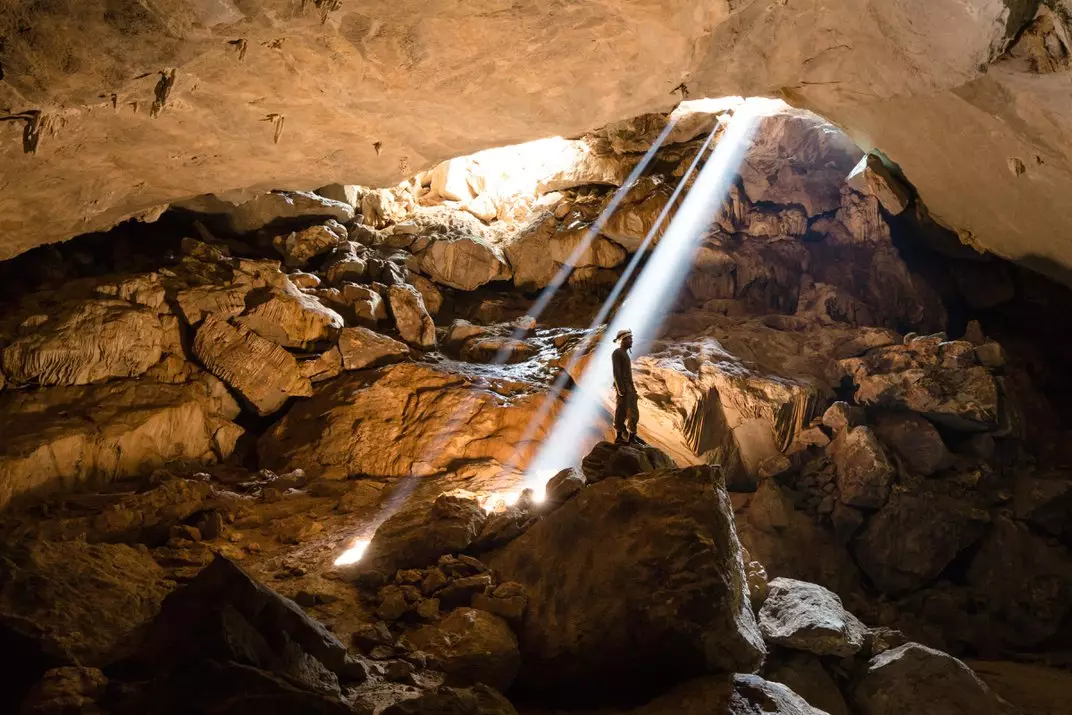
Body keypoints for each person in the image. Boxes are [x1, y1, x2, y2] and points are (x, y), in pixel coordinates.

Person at [611, 329, 639, 445]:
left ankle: (632, 438)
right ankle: (619, 437)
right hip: (623, 389)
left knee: (634, 413)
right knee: (621, 412)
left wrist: (633, 389)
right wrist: (620, 389)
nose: (631, 340)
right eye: (629, 338)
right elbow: (616, 372)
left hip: (629, 389)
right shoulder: (617, 352)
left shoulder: (624, 354)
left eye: (631, 338)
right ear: (623, 340)